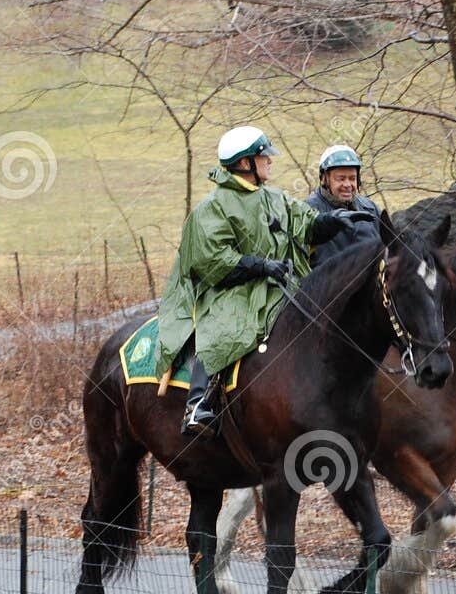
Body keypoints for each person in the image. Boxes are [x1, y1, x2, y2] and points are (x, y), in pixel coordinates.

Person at [156, 126, 374, 434]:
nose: (270, 161)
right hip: (230, 291)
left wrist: (334, 221)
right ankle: (198, 405)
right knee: (226, 329)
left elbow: (306, 225)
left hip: (278, 286)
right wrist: (260, 266)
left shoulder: (275, 198)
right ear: (246, 163)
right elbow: (210, 260)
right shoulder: (212, 207)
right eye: (264, 157)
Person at [306, 143, 382, 266]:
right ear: (324, 179)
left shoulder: (370, 209)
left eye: (352, 178)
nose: (347, 185)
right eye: (341, 179)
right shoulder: (308, 213)